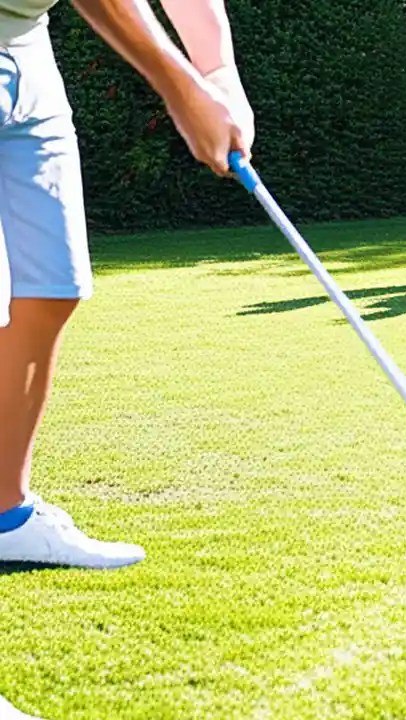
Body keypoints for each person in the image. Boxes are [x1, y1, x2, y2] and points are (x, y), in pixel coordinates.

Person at [0, 0, 254, 569]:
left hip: (26, 46)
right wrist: (182, 89)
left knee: (52, 284)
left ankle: (5, 516)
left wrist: (220, 78)